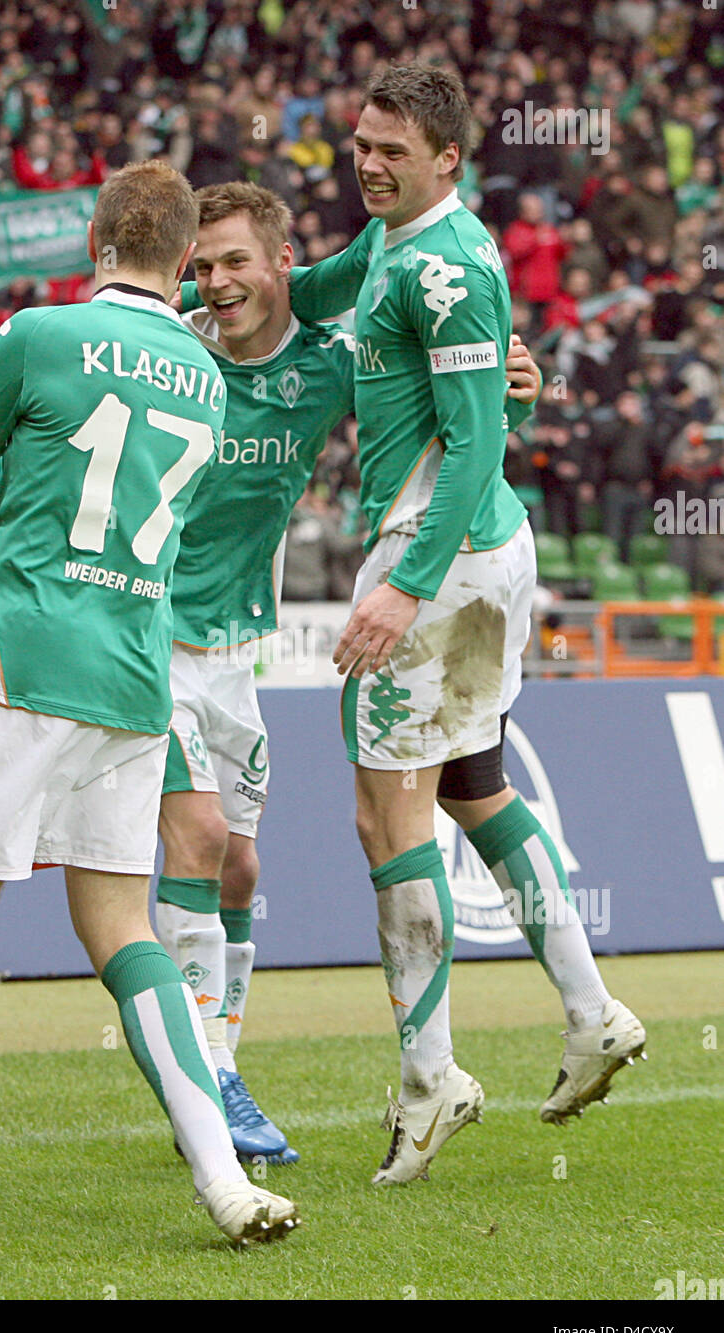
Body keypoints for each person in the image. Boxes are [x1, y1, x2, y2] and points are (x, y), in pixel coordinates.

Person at [0, 178, 543, 1173]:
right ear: (182, 265)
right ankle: (212, 1077)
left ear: (281, 270)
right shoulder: (162, 357)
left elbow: (433, 404)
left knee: (239, 867)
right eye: (204, 263)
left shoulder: (328, 364)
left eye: (237, 263)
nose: (218, 283)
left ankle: (213, 1064)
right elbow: (28, 511)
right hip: (147, 645)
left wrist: (507, 388)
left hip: (235, 659)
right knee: (198, 834)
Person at [0, 161, 299, 1253]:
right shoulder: (205, 372)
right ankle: (224, 1180)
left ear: (96, 238)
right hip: (134, 678)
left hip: (18, 660)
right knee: (123, 928)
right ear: (184, 258)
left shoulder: (39, 335)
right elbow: (65, 511)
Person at [284, 65, 646, 1184]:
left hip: (437, 557)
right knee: (467, 785)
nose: (368, 162)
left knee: (384, 819)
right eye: (360, 142)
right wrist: (209, 297)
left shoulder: (443, 265)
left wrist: (401, 586)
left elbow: (478, 441)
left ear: (449, 159)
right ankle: (591, 1014)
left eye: (392, 150)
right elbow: (316, 293)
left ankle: (430, 1080)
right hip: (472, 551)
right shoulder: (397, 242)